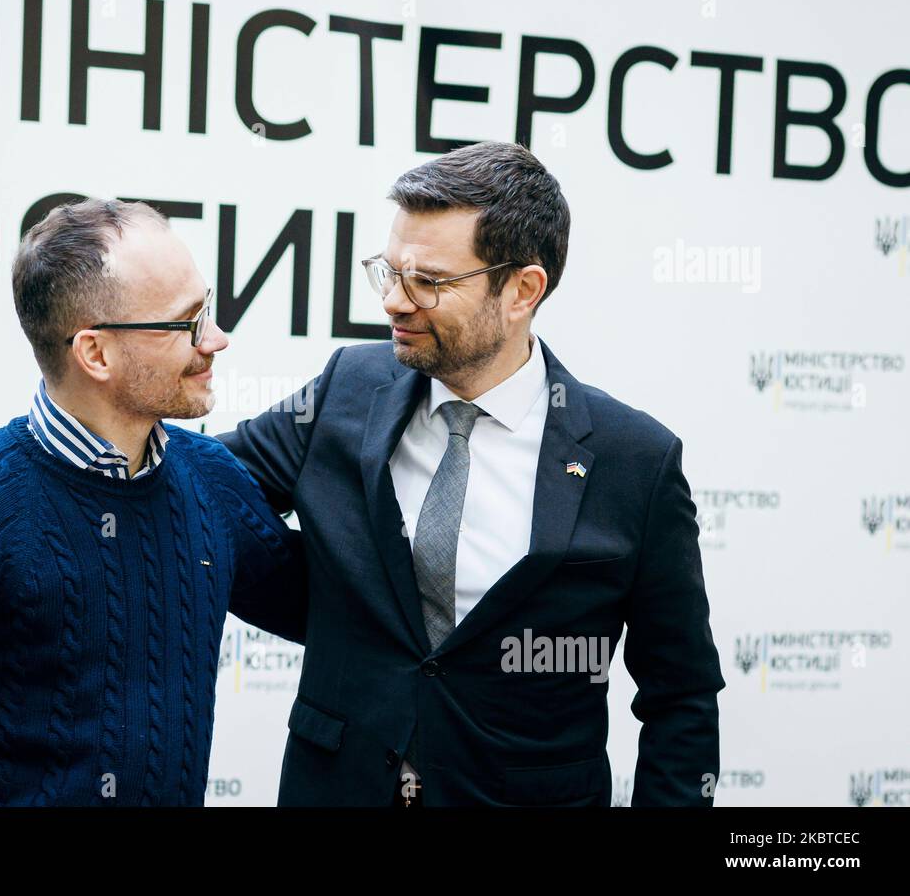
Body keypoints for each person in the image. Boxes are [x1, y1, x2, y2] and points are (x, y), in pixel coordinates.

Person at [219, 141, 725, 807]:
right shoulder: (346, 388)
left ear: (522, 290)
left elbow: (681, 696)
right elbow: (210, 491)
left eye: (427, 280)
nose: (394, 302)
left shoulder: (636, 461)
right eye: (389, 271)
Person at [0, 199, 305, 806]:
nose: (216, 339)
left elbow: (341, 614)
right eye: (187, 322)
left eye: (209, 310)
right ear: (95, 353)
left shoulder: (209, 484)